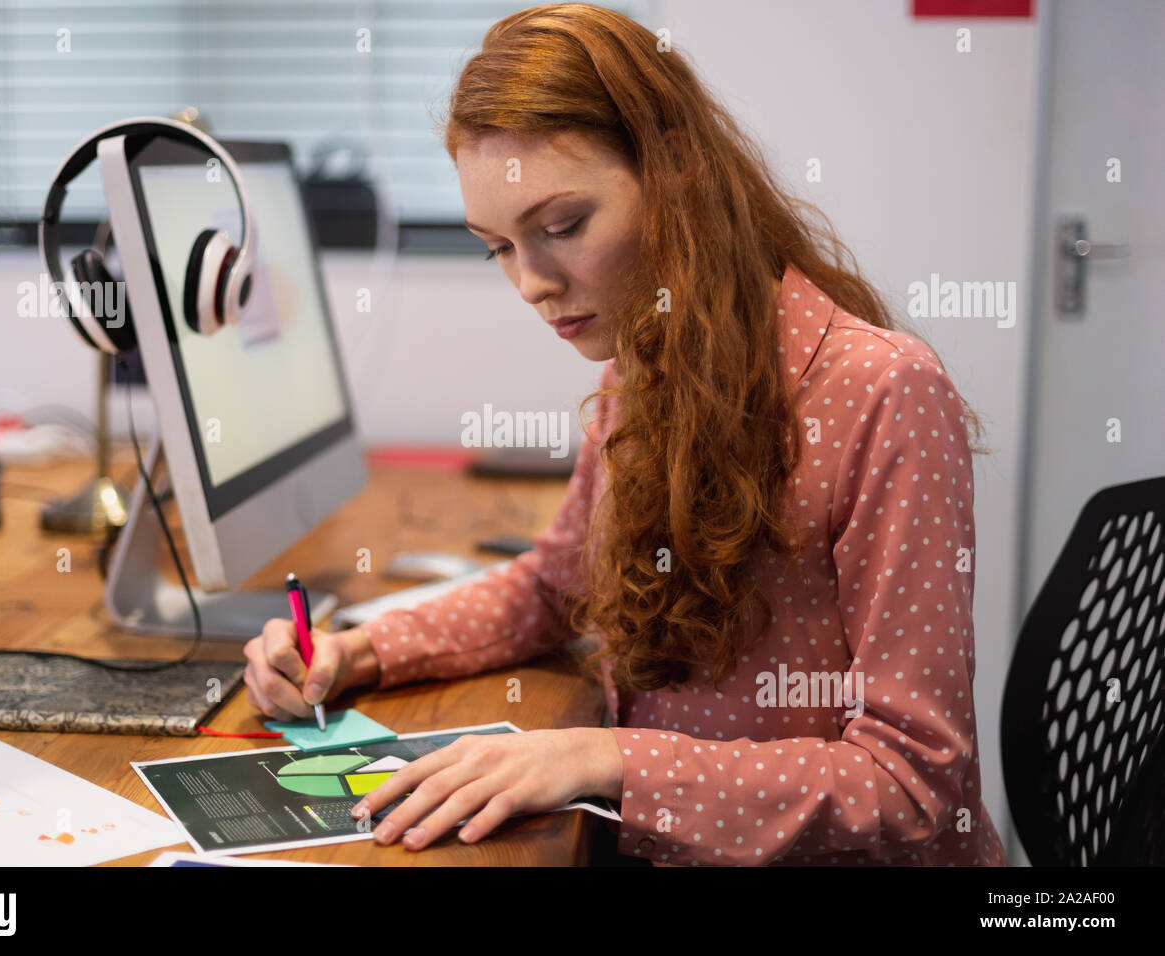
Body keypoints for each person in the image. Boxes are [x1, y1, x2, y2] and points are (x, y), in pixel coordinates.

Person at [243, 2, 1007, 866]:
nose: (532, 283)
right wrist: (358, 651)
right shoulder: (644, 357)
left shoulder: (884, 391)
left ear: (677, 179)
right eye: (497, 246)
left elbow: (913, 783)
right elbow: (556, 587)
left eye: (562, 228)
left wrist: (604, 757)